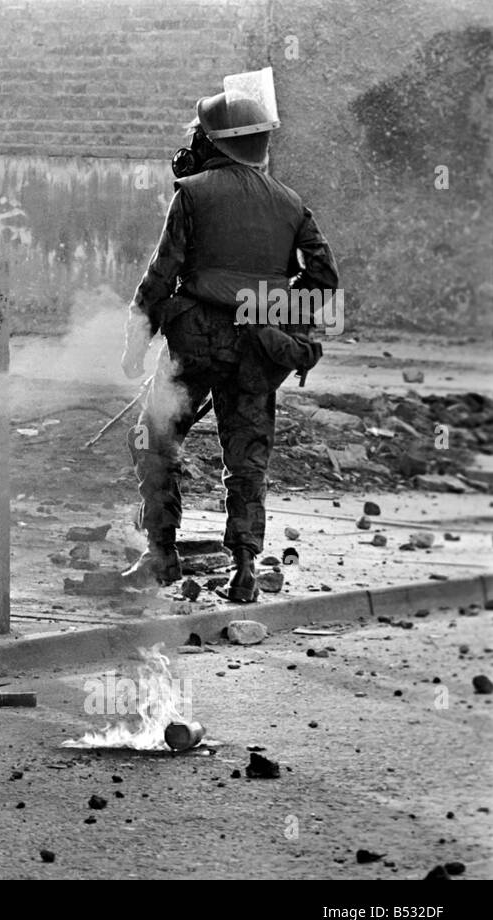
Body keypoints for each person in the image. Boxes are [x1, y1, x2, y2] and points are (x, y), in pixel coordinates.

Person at [121, 91, 338, 603]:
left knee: (152, 439)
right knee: (247, 460)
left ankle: (161, 555)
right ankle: (244, 569)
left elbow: (160, 275)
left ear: (208, 141)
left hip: (195, 344)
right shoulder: (290, 202)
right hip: (259, 349)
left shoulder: (191, 194)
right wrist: (268, 303)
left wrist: (136, 342)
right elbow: (324, 278)